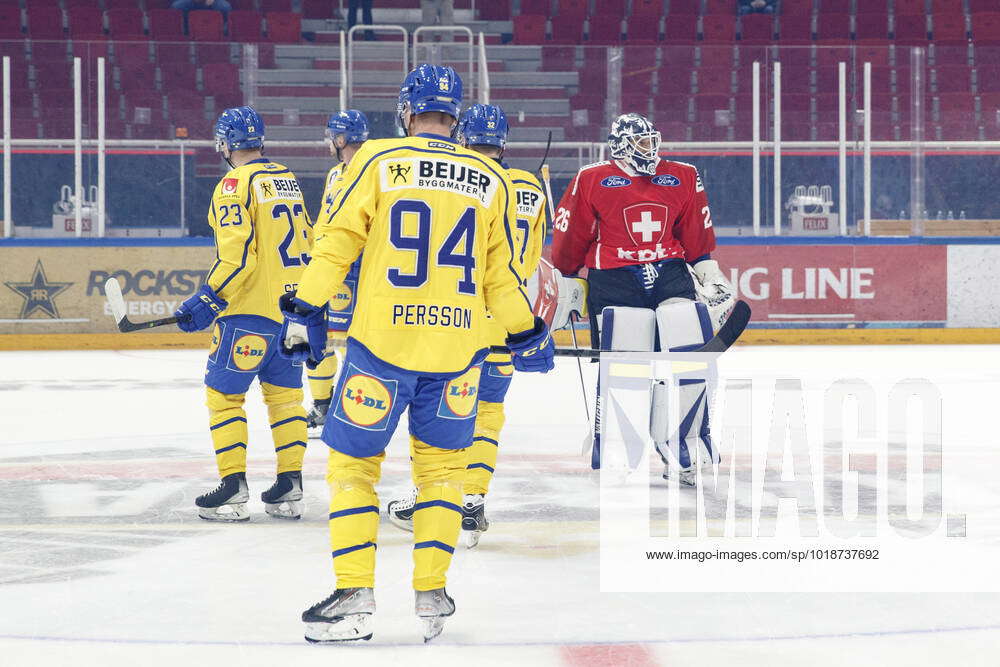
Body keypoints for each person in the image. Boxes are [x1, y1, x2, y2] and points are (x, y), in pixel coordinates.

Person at [278, 65, 554, 643]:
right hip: (459, 354)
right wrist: (528, 334)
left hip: (380, 348)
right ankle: (432, 594)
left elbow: (335, 247)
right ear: (455, 118)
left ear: (407, 111)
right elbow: (500, 279)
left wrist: (304, 308)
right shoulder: (490, 178)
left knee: (354, 469)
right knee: (444, 472)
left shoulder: (376, 161)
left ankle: (355, 596)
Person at [385, 103, 548, 549]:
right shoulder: (530, 186)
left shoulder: (459, 180)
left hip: (459, 322)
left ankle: (432, 498)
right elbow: (530, 258)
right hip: (509, 319)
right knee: (489, 415)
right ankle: (472, 500)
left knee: (443, 417)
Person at [550, 112, 735, 484]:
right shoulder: (592, 178)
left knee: (689, 353)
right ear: (620, 145)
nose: (649, 149)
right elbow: (571, 241)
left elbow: (695, 237)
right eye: (640, 143)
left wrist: (710, 274)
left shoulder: (682, 175)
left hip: (669, 274)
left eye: (651, 141)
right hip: (614, 279)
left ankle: (686, 441)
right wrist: (567, 281)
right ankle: (621, 444)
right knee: (625, 363)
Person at [174, 107, 313, 521]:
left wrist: (208, 298)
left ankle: (233, 486)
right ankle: (290, 486)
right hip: (293, 314)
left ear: (225, 145)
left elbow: (238, 258)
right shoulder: (287, 179)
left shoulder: (234, 183)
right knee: (287, 400)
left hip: (248, 314)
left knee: (224, 397)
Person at [305, 109, 371, 438]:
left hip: (362, 268)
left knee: (356, 342)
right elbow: (326, 219)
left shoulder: (372, 171)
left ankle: (354, 404)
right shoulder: (334, 174)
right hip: (333, 266)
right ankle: (323, 403)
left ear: (342, 139)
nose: (329, 141)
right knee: (321, 338)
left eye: (333, 135)